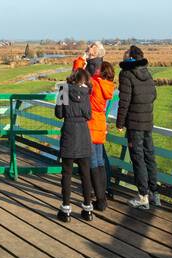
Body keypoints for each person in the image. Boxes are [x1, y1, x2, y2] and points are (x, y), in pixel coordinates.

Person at [116, 44, 160, 209]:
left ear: (130, 58)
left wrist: (120, 123)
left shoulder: (126, 74)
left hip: (134, 124)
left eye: (124, 54)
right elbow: (153, 95)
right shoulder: (146, 72)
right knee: (150, 156)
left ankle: (143, 197)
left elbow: (124, 101)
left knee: (138, 159)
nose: (122, 56)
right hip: (147, 121)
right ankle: (154, 194)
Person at [54, 67, 95, 223]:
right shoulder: (86, 93)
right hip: (83, 134)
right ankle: (87, 209)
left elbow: (58, 114)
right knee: (85, 173)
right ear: (84, 80)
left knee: (67, 174)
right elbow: (89, 115)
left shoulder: (63, 90)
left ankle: (66, 210)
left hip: (69, 133)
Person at [88, 59, 115, 210]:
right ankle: (102, 194)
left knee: (93, 162)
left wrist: (82, 60)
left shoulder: (95, 84)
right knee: (99, 161)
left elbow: (77, 76)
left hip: (91, 124)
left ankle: (100, 200)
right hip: (100, 123)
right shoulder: (107, 86)